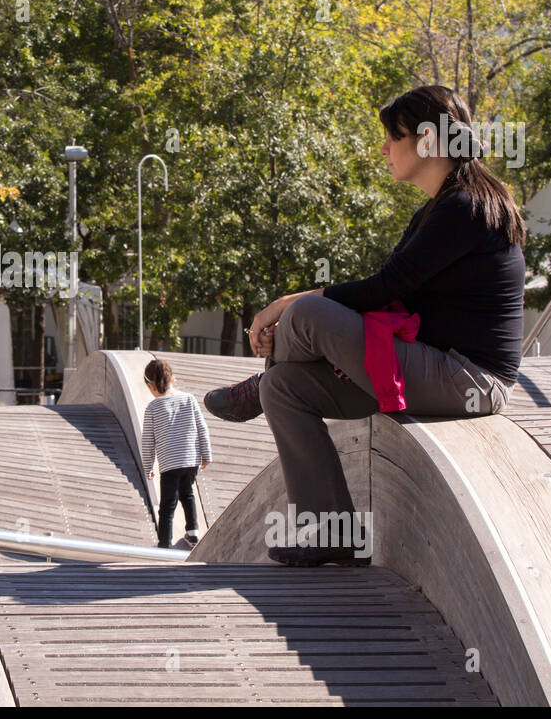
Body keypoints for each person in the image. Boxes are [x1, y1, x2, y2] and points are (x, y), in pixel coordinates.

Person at [204, 85, 526, 566]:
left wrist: (288, 302)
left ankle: (261, 377)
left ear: (427, 142)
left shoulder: (466, 208)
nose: (383, 149)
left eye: (392, 138)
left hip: (468, 379)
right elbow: (391, 296)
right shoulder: (437, 208)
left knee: (309, 313)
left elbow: (382, 288)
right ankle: (331, 533)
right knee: (286, 388)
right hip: (427, 367)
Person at [141, 358, 212, 548]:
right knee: (187, 494)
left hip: (170, 464)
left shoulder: (153, 408)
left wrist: (147, 467)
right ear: (173, 380)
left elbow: (148, 442)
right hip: (191, 460)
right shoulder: (188, 399)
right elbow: (201, 428)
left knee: (167, 505)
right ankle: (193, 533)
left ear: (150, 386)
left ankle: (164, 544)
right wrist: (206, 454)